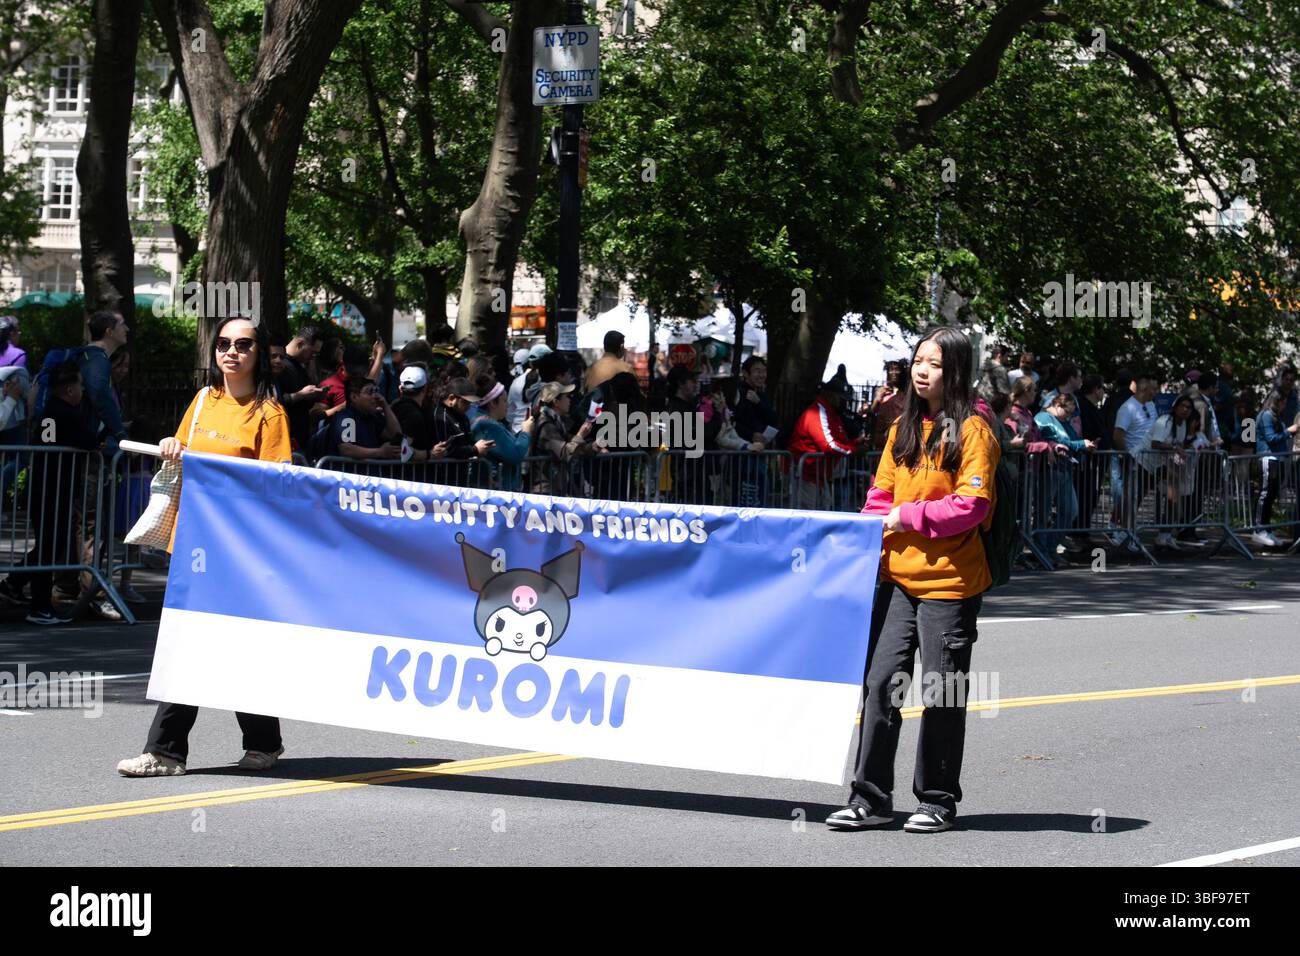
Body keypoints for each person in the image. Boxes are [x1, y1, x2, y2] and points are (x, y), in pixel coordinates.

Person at [826, 327, 999, 834]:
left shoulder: (974, 431)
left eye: (936, 364)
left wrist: (909, 516)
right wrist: (870, 530)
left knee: (941, 691)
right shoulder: (903, 426)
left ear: (958, 372)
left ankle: (938, 800)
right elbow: (880, 495)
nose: (922, 371)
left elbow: (972, 505)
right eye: (918, 360)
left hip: (950, 584)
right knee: (880, 685)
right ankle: (870, 798)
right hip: (896, 578)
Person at [117, 315, 292, 778]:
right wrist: (171, 444)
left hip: (240, 550)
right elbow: (183, 447)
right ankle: (261, 741)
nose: (231, 351)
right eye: (223, 343)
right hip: (194, 542)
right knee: (206, 643)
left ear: (259, 354)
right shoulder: (202, 401)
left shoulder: (269, 413)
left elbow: (278, 484)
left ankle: (167, 751)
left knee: (204, 643)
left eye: (243, 344)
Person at [5, 362, 97, 625]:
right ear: (69, 389)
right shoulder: (65, 413)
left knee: (49, 545)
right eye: (80, 385)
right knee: (49, 546)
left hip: (48, 487)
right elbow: (90, 441)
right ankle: (40, 607)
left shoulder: (52, 411)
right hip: (52, 489)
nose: (82, 390)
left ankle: (14, 582)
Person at [787, 379, 866, 510]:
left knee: (824, 512)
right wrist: (854, 450)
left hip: (820, 476)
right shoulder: (817, 412)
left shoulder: (831, 414)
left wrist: (856, 443)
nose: (844, 402)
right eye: (841, 398)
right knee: (807, 516)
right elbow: (829, 446)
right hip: (806, 475)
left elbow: (840, 441)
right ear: (831, 396)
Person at [1034, 394, 1095, 563]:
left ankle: (1050, 547)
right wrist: (1081, 444)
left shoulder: (1064, 421)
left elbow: (1072, 439)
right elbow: (1053, 440)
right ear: (1058, 405)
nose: (1069, 416)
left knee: (1071, 510)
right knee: (1043, 512)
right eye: (1067, 412)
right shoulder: (1042, 417)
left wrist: (1084, 444)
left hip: (1065, 470)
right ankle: (1041, 550)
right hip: (1048, 471)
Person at [529, 381, 598, 495]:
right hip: (545, 491)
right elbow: (565, 452)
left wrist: (591, 447)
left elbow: (570, 444)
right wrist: (580, 435)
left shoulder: (557, 421)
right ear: (556, 402)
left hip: (555, 487)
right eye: (566, 396)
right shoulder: (546, 425)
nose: (570, 400)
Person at [1251, 388, 1299, 548]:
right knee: (1265, 494)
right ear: (1275, 401)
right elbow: (1271, 438)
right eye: (1282, 402)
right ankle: (1259, 529)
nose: (1284, 405)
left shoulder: (1276, 417)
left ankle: (1266, 528)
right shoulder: (1266, 415)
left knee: (1272, 494)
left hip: (1277, 459)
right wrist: (1289, 431)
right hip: (1267, 458)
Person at [470, 374, 534, 491]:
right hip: (497, 492)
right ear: (493, 403)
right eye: (504, 401)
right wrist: (526, 432)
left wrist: (522, 432)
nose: (508, 405)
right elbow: (515, 454)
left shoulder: (491, 423)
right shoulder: (487, 425)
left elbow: (508, 445)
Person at [277, 328, 330, 450]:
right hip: (284, 436)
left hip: (299, 437)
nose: (313, 357)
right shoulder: (280, 366)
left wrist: (315, 395)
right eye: (313, 352)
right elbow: (274, 400)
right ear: (300, 344)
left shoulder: (300, 366)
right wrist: (300, 394)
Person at [331, 378, 404, 461]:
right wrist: (380, 452)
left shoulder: (374, 417)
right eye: (370, 392)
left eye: (376, 391)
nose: (376, 396)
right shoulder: (346, 417)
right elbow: (346, 449)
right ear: (354, 397)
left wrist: (385, 406)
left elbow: (395, 435)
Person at [868, 361, 907, 450]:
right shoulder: (882, 391)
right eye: (891, 369)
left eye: (897, 369)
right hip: (882, 438)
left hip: (900, 436)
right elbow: (872, 413)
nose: (894, 373)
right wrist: (877, 399)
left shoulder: (906, 392)